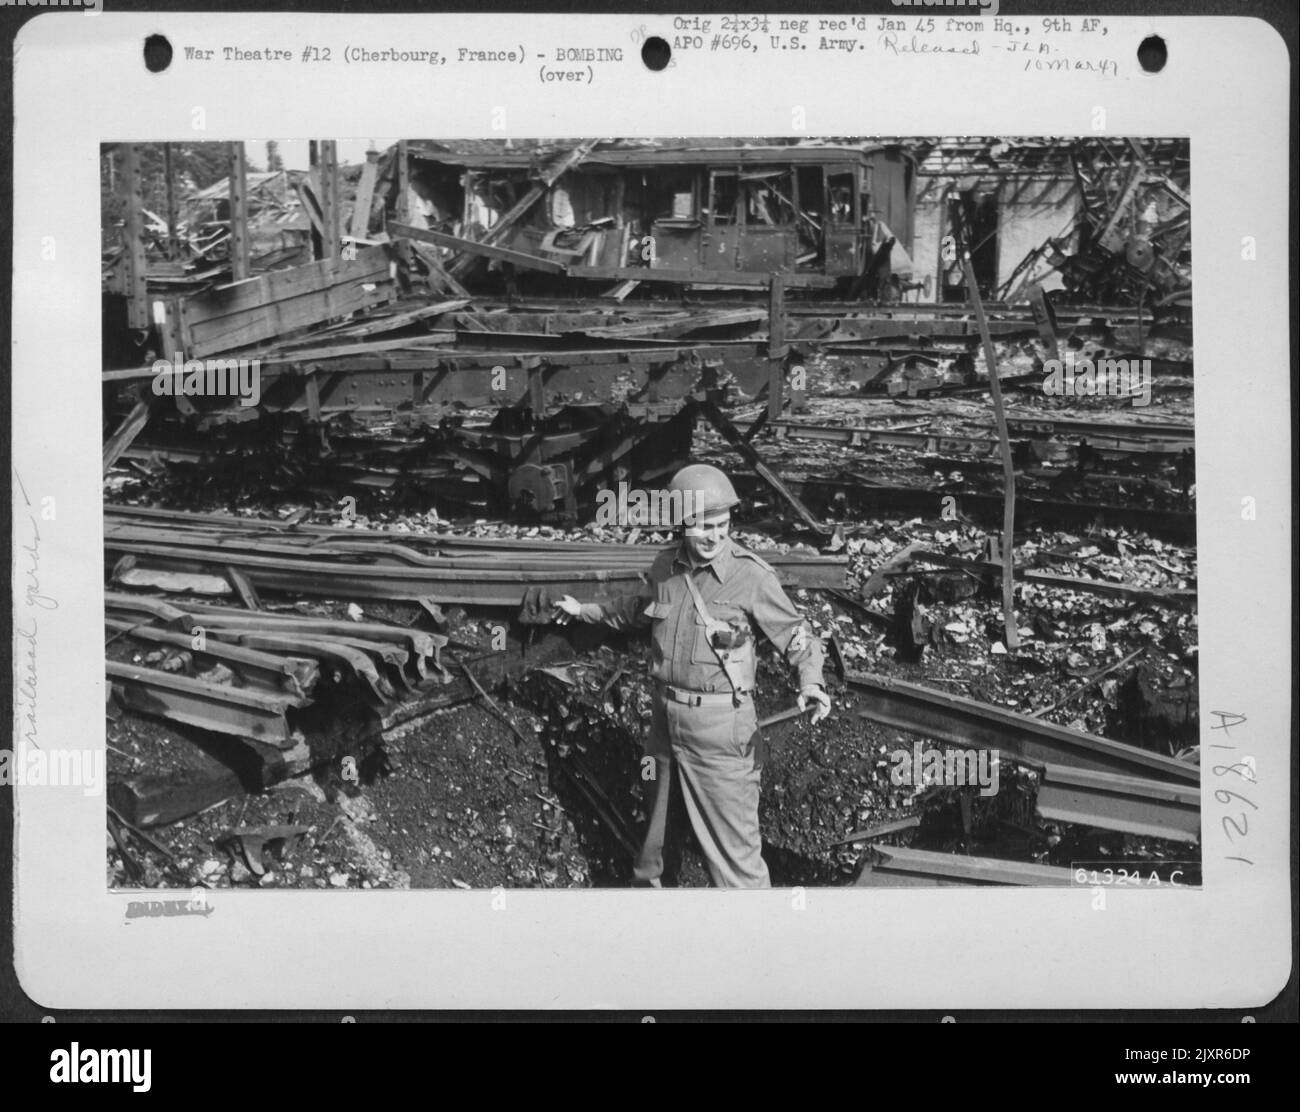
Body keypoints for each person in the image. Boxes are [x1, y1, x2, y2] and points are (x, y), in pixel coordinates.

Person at [553, 464, 831, 888]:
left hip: (721, 729)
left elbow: (797, 636)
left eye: (723, 525)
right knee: (653, 844)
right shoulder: (665, 568)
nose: (715, 536)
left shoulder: (750, 575)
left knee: (735, 856)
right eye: (704, 525)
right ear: (683, 523)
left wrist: (810, 683)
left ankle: (754, 943)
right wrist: (584, 611)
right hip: (663, 726)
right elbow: (634, 611)